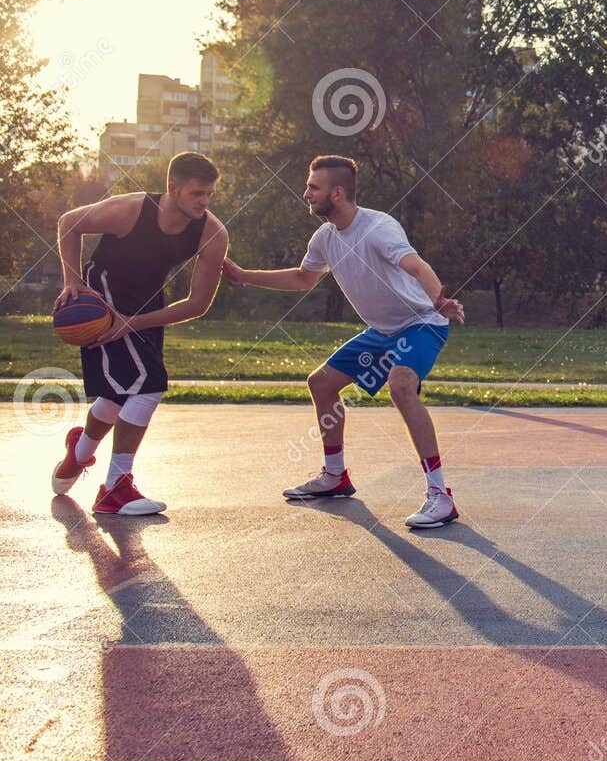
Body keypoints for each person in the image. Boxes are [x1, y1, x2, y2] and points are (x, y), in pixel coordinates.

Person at [222, 155, 466, 530]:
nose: (306, 194)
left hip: (421, 322)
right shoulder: (324, 237)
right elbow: (304, 279)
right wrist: (243, 276)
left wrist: (438, 300)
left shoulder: (378, 228)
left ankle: (440, 496)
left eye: (313, 188)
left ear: (337, 193)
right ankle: (335, 476)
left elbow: (417, 267)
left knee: (401, 386)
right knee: (321, 383)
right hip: (382, 331)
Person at [51, 152, 230, 515]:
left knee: (121, 391)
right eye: (197, 193)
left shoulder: (212, 232)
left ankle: (79, 452)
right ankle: (115, 486)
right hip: (103, 295)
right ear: (172, 187)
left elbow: (197, 304)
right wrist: (72, 281)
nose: (204, 201)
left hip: (147, 303)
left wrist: (134, 322)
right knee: (148, 384)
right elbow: (69, 223)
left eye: (209, 194)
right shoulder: (130, 210)